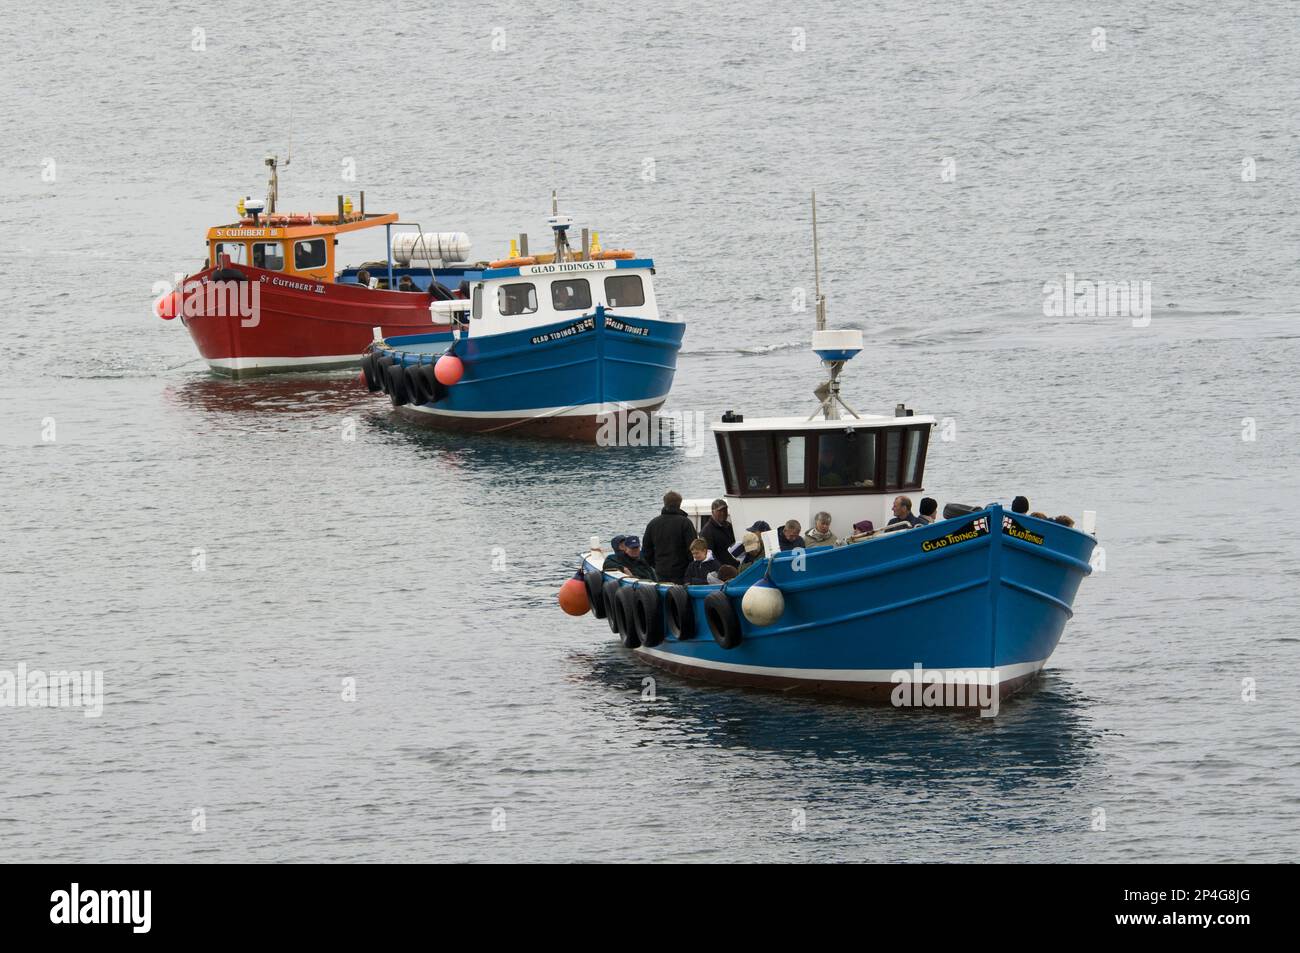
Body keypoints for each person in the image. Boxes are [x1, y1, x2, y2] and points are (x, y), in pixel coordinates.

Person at [642, 491, 698, 584]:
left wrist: (655, 565)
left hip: (660, 571)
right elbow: (692, 549)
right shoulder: (685, 523)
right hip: (682, 572)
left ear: (664, 503)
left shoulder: (653, 523)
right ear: (679, 504)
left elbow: (646, 550)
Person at [701, 499, 737, 568]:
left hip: (734, 567)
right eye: (719, 511)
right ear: (712, 512)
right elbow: (709, 556)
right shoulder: (706, 532)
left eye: (725, 510)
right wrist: (721, 570)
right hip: (722, 572)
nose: (723, 513)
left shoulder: (729, 526)